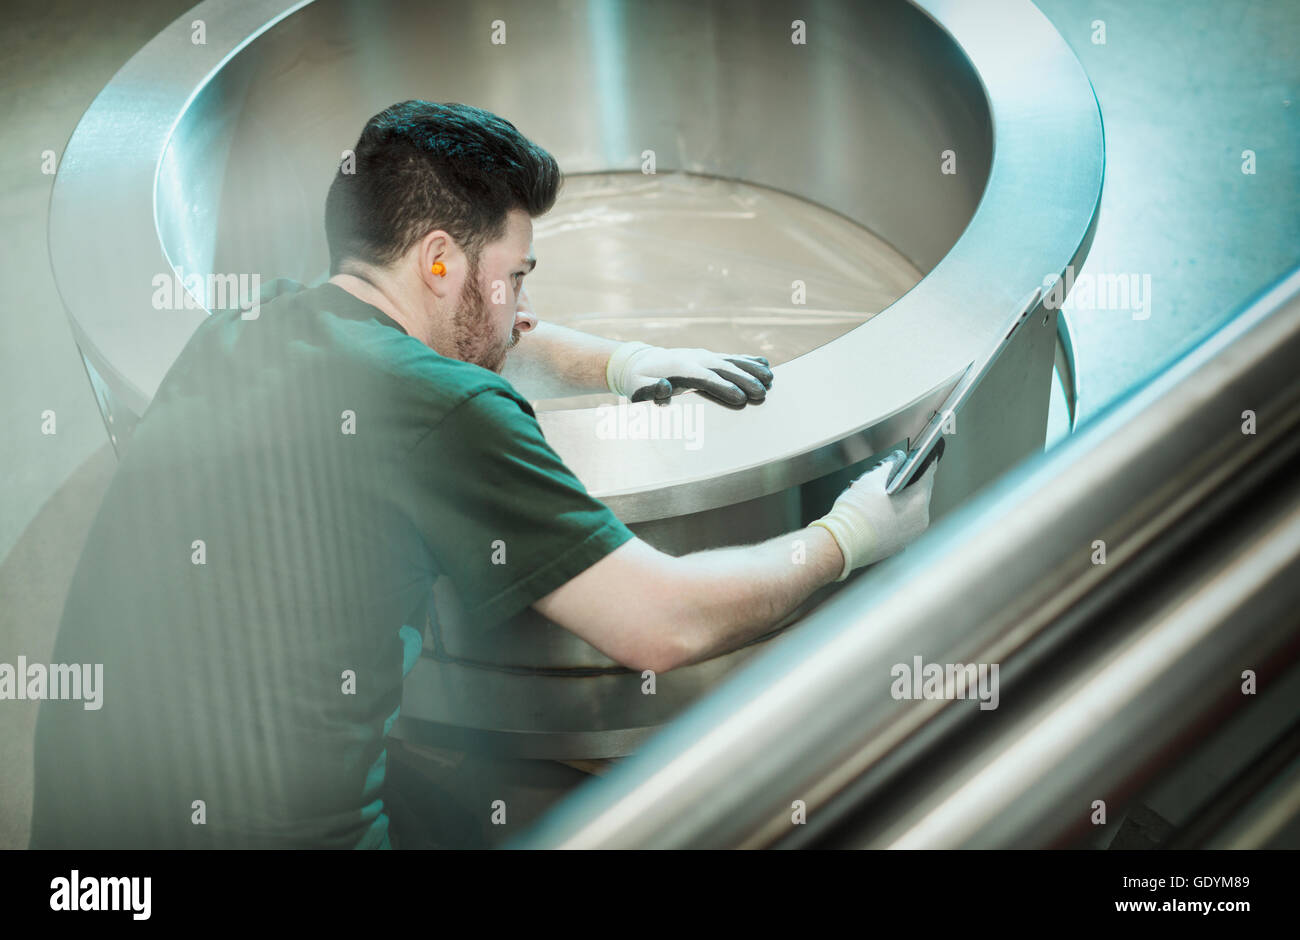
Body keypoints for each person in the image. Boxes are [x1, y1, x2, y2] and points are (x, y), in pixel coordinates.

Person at [29, 100, 936, 850]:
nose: (527, 310)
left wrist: (627, 361)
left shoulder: (248, 329)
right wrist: (846, 539)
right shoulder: (449, 412)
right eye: (517, 275)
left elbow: (474, 339)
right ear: (435, 259)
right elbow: (661, 623)